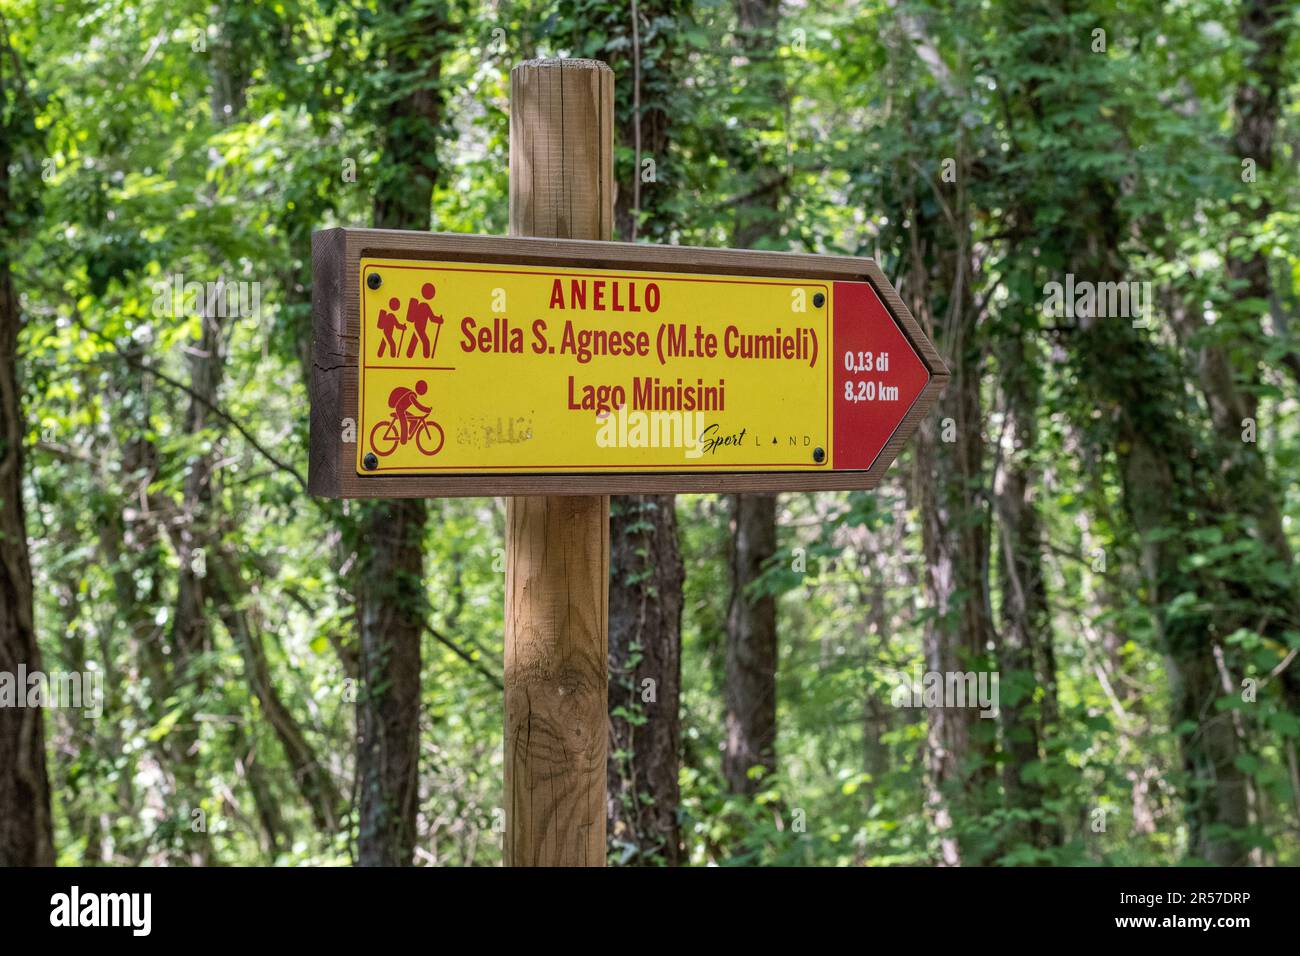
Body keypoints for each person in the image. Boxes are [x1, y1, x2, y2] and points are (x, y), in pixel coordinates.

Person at [405, 283, 444, 359]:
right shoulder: (425, 306)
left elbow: (431, 318)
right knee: (426, 342)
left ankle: (409, 355)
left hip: (417, 326)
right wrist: (440, 320)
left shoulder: (421, 305)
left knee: (415, 340)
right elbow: (432, 318)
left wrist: (439, 320)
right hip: (419, 327)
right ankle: (426, 359)